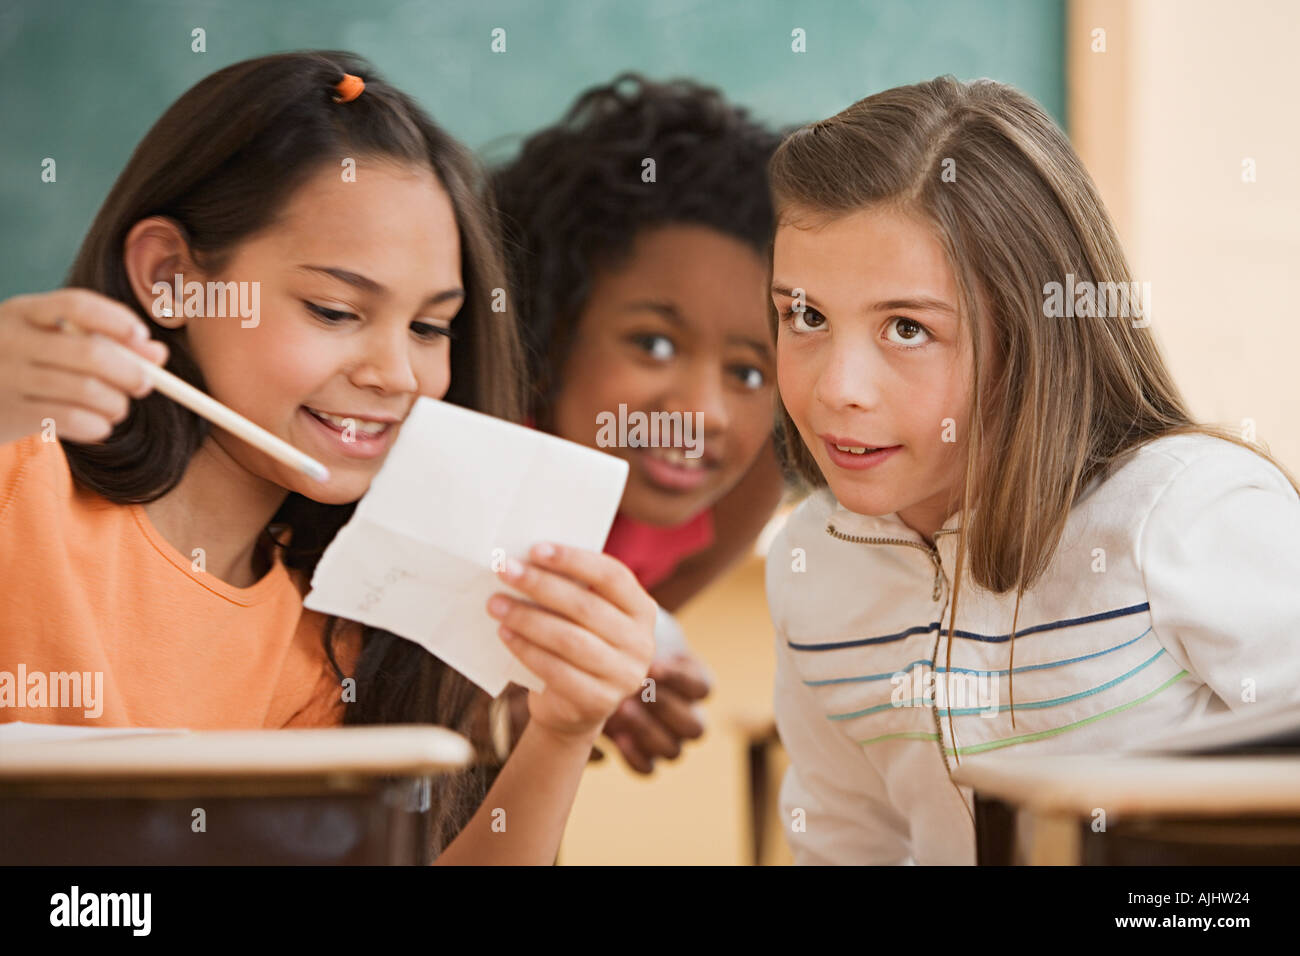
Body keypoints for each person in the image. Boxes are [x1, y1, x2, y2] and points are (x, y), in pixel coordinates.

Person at [0, 51, 655, 864]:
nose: (395, 375)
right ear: (172, 278)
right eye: (335, 309)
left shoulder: (334, 639)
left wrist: (562, 729)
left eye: (429, 328)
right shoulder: (19, 474)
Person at [764, 75, 1300, 864]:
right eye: (804, 316)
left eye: (907, 328)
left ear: (1033, 336)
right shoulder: (815, 566)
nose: (836, 389)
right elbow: (848, 847)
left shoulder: (1189, 513)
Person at [492, 75, 787, 773]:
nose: (701, 416)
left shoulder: (753, 476)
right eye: (654, 344)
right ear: (551, 327)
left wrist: (614, 684)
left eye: (749, 372)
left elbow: (610, 652)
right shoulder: (470, 442)